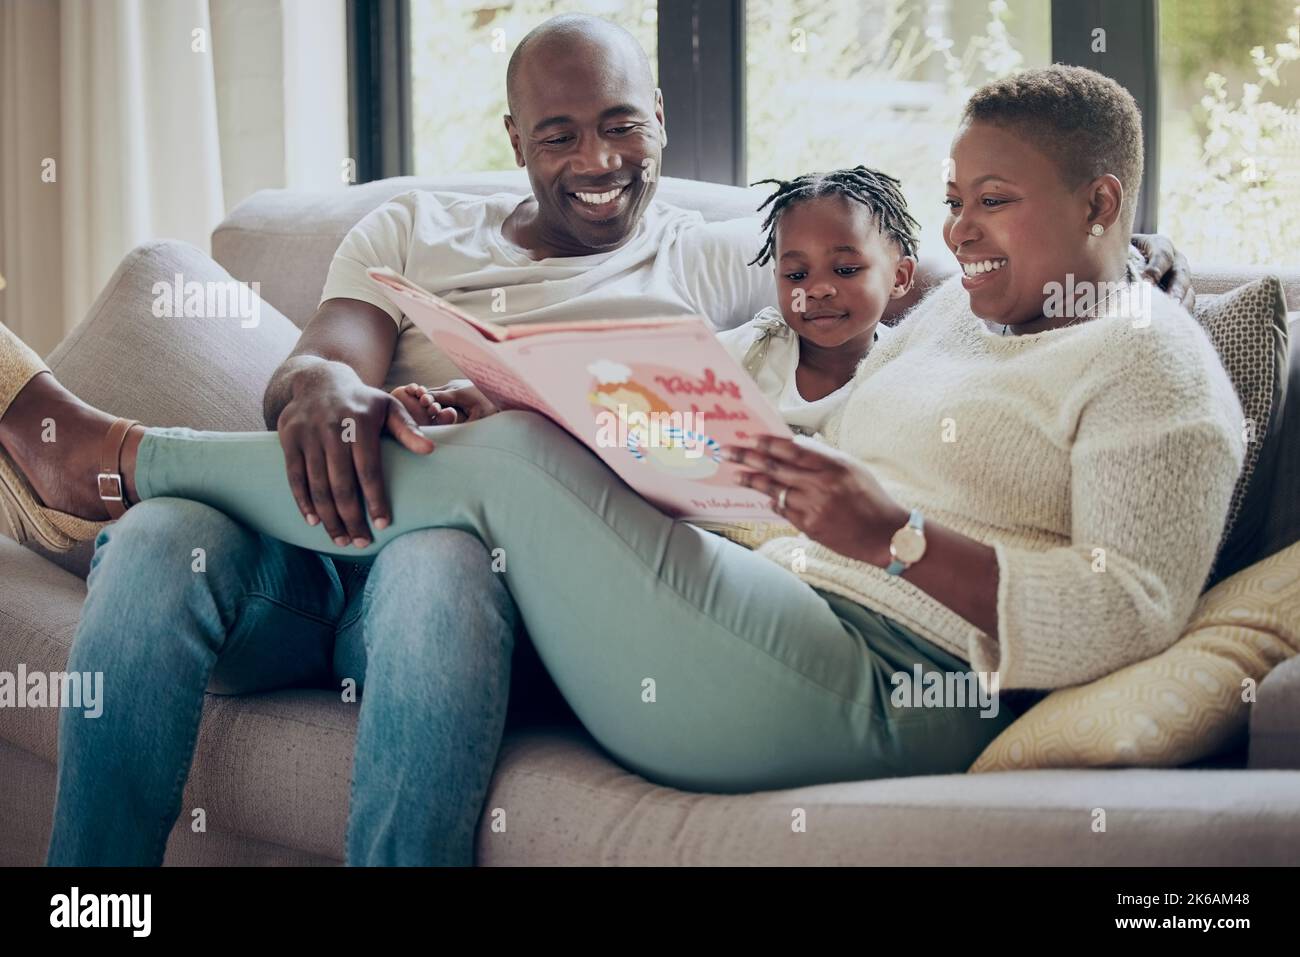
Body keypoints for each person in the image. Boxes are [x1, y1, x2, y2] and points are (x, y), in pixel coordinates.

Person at [0, 25, 1196, 864]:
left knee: (459, 539)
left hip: (540, 584)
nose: (596, 161)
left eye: (620, 126)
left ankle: (102, 456)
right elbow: (325, 349)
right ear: (514, 135)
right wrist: (320, 394)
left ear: (659, 121)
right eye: (558, 133)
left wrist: (1122, 266)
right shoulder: (410, 225)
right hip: (337, 521)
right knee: (163, 540)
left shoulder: (746, 255)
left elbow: (893, 273)